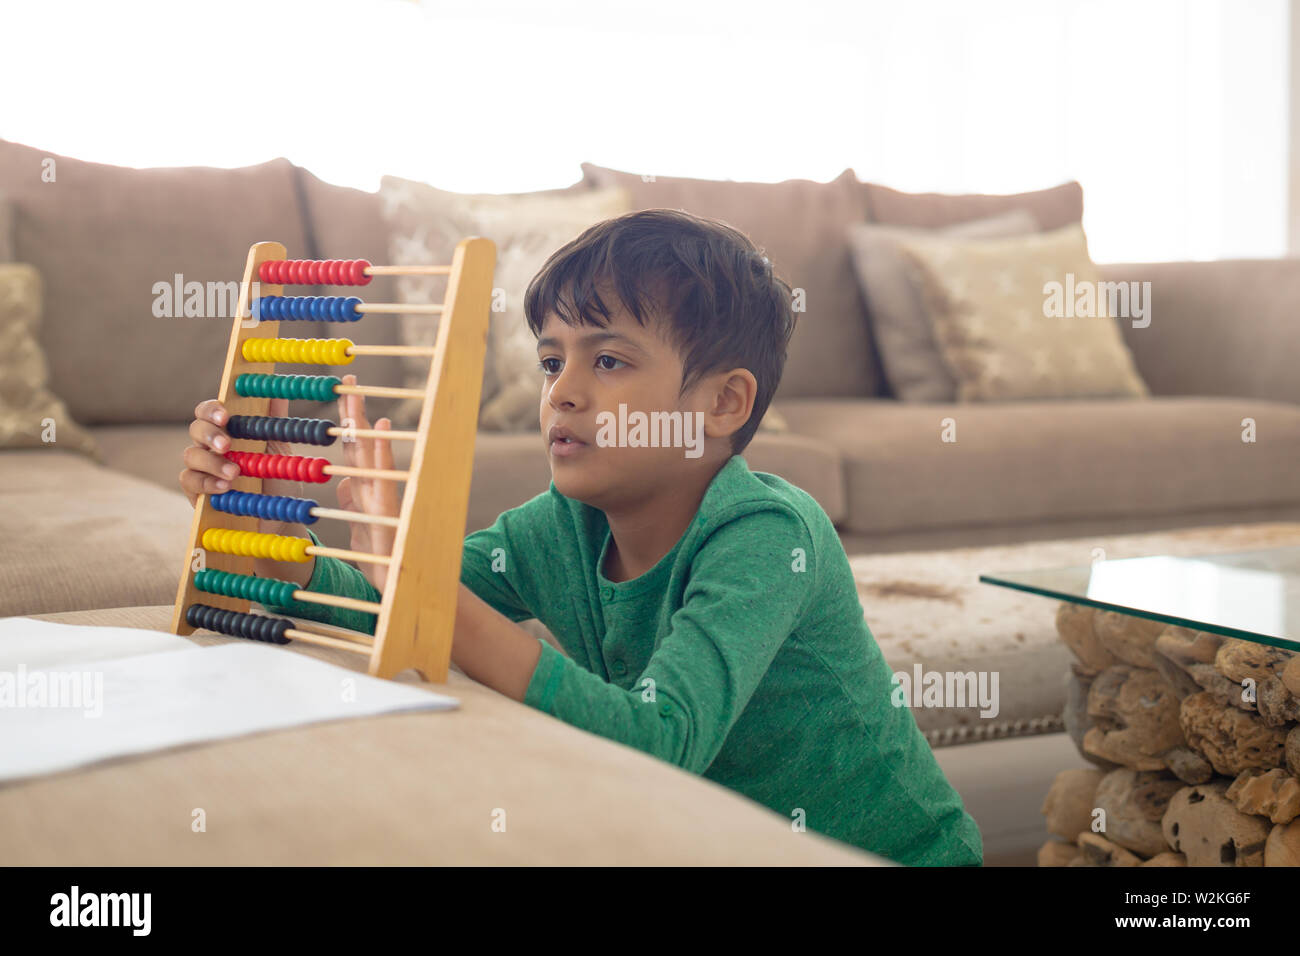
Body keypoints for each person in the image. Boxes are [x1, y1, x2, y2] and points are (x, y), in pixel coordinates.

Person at [180, 209, 983, 866]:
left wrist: (414, 576)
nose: (561, 393)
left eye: (608, 362)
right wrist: (248, 509)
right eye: (551, 361)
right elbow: (365, 605)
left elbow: (659, 738)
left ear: (724, 403)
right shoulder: (558, 529)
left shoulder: (768, 536)